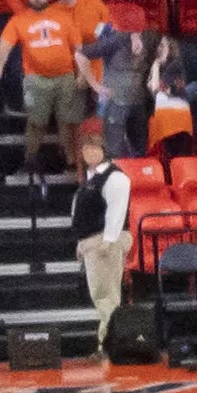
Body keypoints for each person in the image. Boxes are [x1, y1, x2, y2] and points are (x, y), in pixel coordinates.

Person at [0, 0, 83, 180]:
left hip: (65, 76)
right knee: (36, 122)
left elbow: (78, 48)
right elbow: (5, 45)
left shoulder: (64, 17)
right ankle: (30, 159)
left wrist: (82, 73)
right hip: (36, 79)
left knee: (66, 122)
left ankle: (71, 163)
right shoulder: (18, 20)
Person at [69, 127, 132, 354]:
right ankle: (106, 343)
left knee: (106, 295)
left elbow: (117, 210)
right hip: (92, 243)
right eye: (85, 148)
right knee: (102, 296)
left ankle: (112, 344)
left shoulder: (114, 177)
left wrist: (109, 240)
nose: (88, 152)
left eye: (93, 148)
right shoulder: (91, 179)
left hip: (104, 242)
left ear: (103, 150)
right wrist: (81, 243)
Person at [82, 24, 150, 159]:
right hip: (115, 102)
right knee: (114, 151)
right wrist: (95, 85)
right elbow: (81, 54)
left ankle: (138, 177)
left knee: (140, 151)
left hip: (138, 103)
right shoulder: (116, 40)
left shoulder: (151, 40)